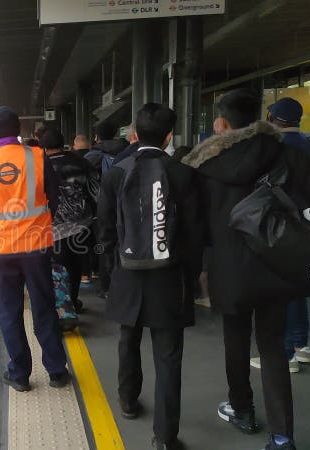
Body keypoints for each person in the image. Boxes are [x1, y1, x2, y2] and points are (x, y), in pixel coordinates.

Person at [183, 88, 310, 450]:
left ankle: (242, 409)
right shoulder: (290, 156)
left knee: (235, 341)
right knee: (272, 346)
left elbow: (195, 223)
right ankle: (283, 437)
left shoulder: (205, 164)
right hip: (278, 264)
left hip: (229, 267)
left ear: (221, 123)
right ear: (259, 118)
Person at [98, 103, 201, 450]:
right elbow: (193, 234)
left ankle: (128, 401)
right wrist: (191, 275)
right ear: (170, 136)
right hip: (169, 278)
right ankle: (165, 437)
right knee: (169, 356)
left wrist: (110, 273)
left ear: (134, 134)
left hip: (127, 272)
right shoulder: (183, 173)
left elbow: (105, 230)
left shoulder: (115, 172)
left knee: (128, 339)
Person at [0, 106, 70, 392]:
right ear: (18, 130)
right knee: (44, 307)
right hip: (35, 246)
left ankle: (19, 375)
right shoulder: (38, 157)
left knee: (9, 312)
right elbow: (54, 197)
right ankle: (56, 371)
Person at [251, 98, 310, 374]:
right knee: (299, 285)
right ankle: (301, 345)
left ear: (273, 117)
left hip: (281, 227)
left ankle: (285, 354)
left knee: (281, 288)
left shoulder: (273, 148)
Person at [41, 128, 99, 313]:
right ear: (64, 144)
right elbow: (95, 192)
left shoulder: (41, 165)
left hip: (52, 227)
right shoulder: (81, 162)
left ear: (44, 147)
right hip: (80, 225)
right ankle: (72, 300)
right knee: (75, 266)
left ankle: (61, 307)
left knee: (55, 268)